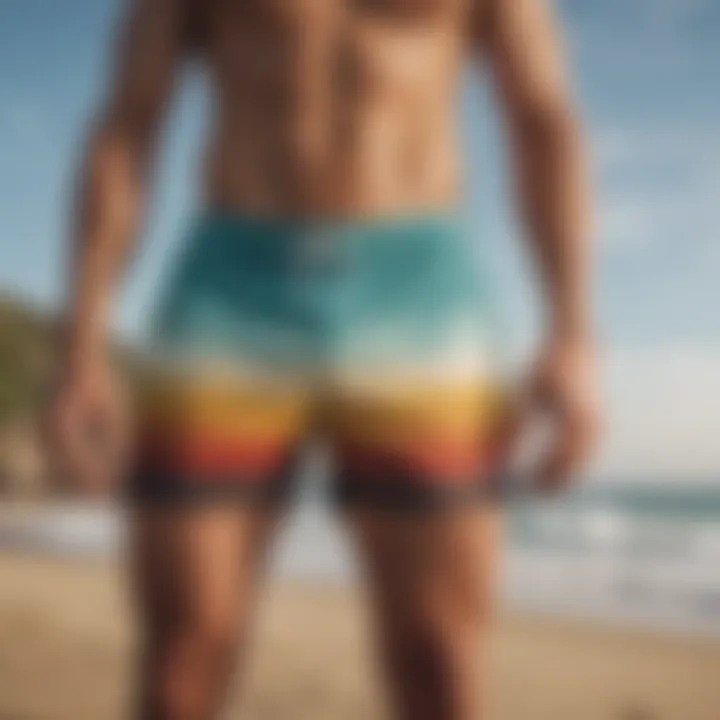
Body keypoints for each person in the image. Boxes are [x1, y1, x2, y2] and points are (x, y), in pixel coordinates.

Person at [48, 0, 598, 718]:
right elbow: (127, 123)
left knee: (442, 663)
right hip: (232, 297)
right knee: (181, 662)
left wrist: (573, 332)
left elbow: (543, 119)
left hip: (417, 297)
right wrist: (82, 343)